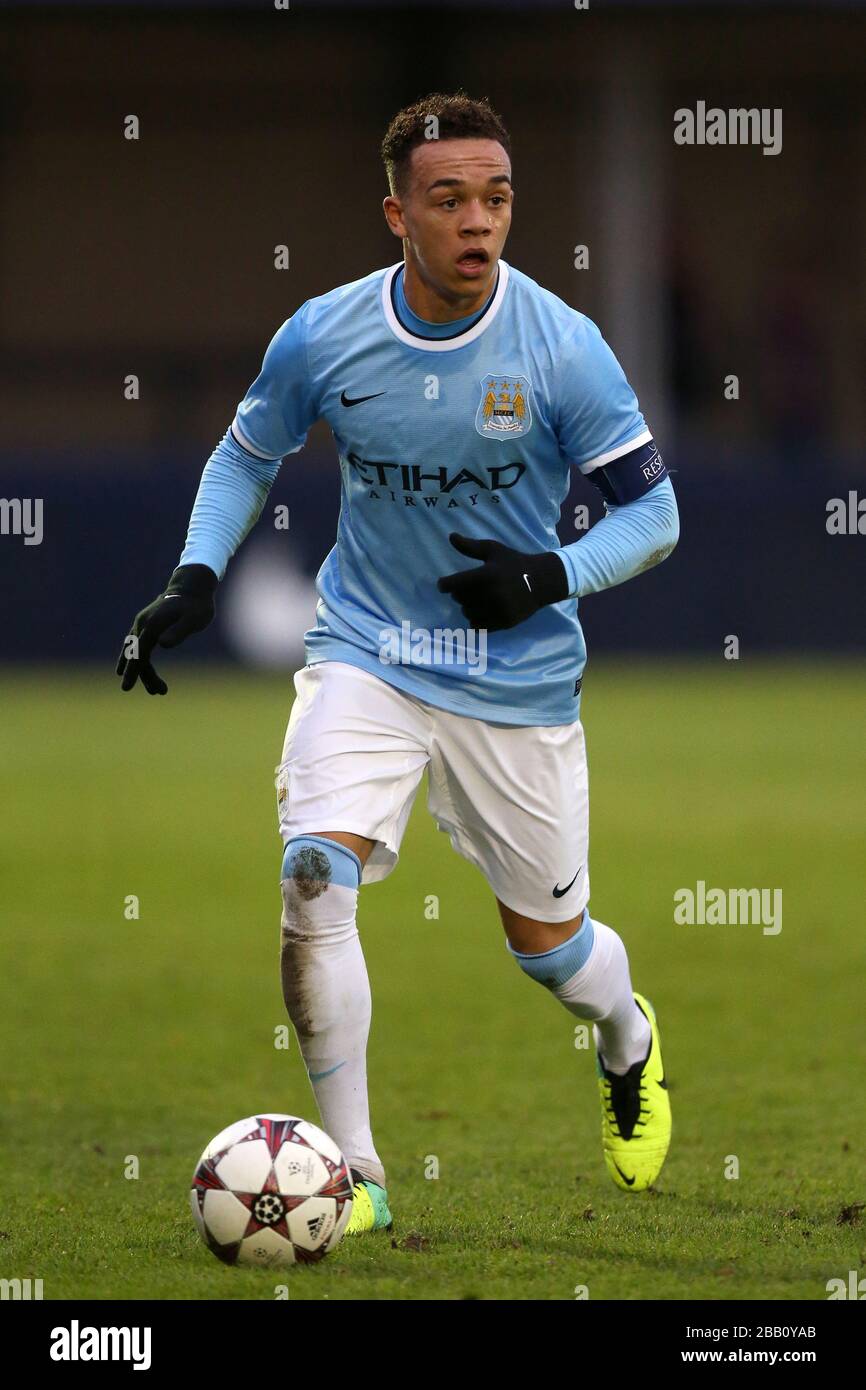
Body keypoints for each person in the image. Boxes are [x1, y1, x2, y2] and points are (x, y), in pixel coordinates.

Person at [117, 92, 679, 1235]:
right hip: (367, 650)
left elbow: (655, 514)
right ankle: (359, 1176)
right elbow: (244, 456)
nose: (479, 222)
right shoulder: (323, 335)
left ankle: (628, 1043)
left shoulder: (560, 345)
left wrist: (545, 575)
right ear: (395, 215)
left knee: (555, 958)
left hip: (512, 681)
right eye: (449, 199)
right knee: (311, 876)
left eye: (497, 197)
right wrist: (195, 574)